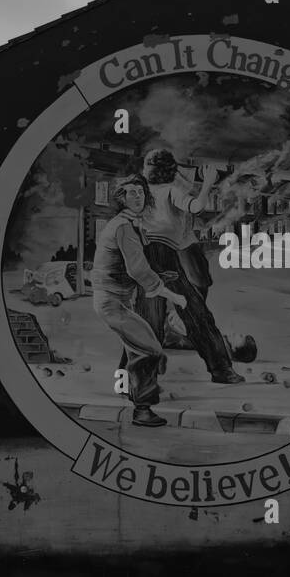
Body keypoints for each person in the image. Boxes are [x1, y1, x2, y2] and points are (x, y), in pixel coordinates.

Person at [138, 148, 245, 384]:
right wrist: (207, 182)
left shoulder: (147, 191)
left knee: (150, 320)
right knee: (192, 315)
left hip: (153, 256)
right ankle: (221, 370)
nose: (144, 169)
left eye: (147, 165)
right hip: (161, 255)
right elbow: (196, 207)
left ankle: (140, 381)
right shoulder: (167, 190)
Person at [91, 175, 187, 427]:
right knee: (150, 349)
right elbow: (138, 270)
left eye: (141, 192)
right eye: (131, 192)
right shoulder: (123, 226)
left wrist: (162, 276)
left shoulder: (133, 224)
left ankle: (132, 391)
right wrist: (172, 294)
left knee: (139, 346)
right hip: (111, 302)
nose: (137, 196)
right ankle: (142, 410)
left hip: (120, 299)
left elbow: (134, 264)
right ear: (121, 199)